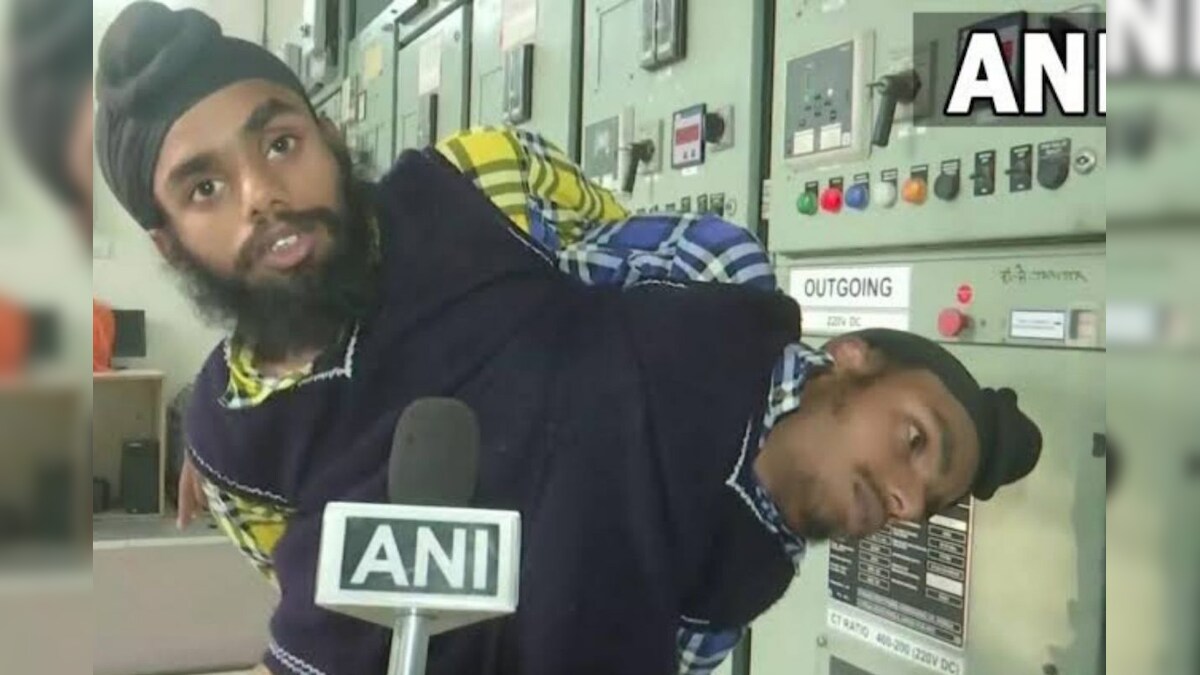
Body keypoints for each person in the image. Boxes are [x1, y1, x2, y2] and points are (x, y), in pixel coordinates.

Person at [95, 4, 1043, 674]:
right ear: (169, 241)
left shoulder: (482, 188)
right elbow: (337, 602)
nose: (262, 194)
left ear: (328, 133)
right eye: (205, 188)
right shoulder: (230, 446)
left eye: (280, 143)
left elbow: (658, 299)